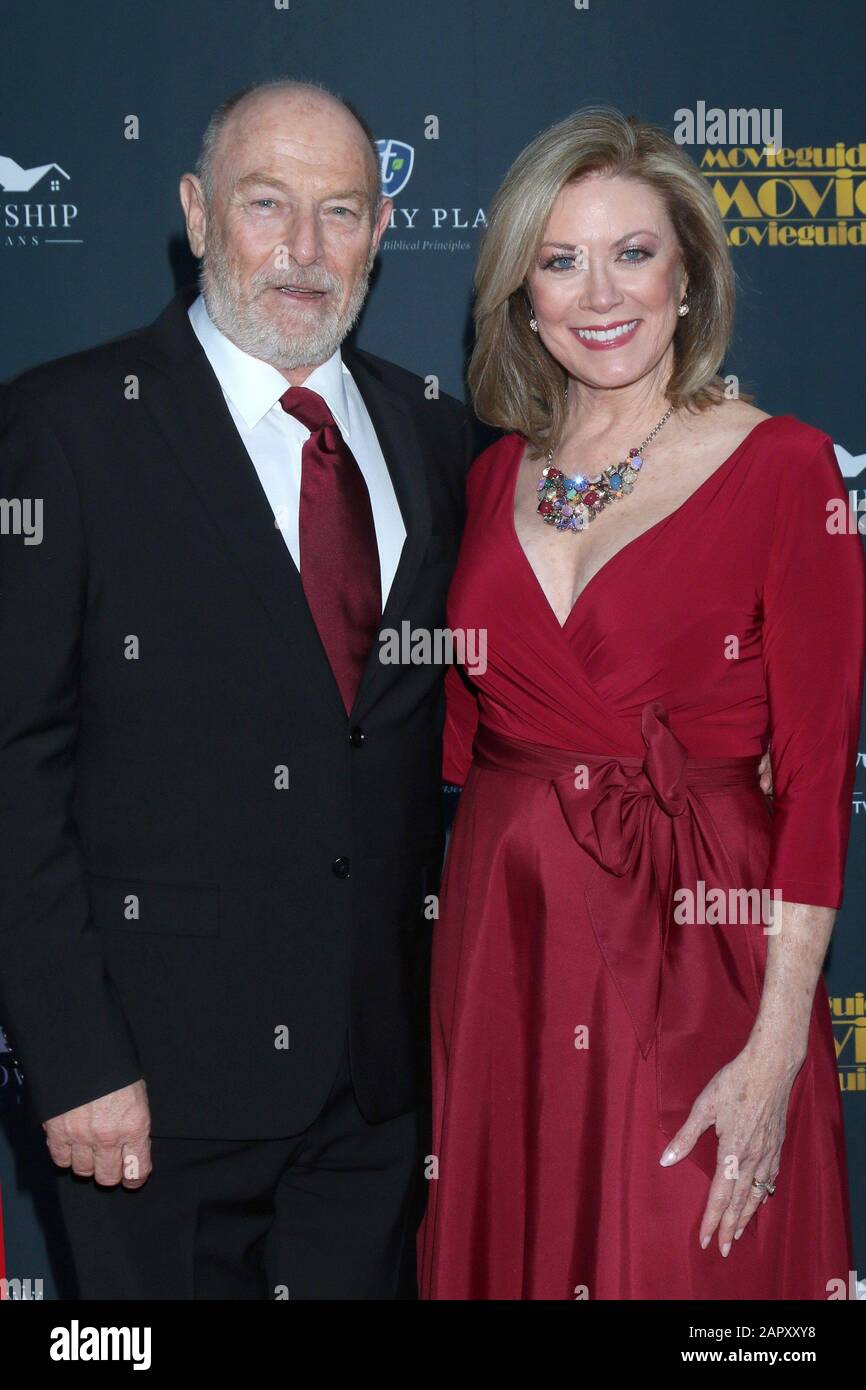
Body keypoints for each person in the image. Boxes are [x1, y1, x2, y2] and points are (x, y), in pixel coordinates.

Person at [0, 78, 474, 1299]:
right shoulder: (65, 430)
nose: (304, 251)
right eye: (268, 204)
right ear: (197, 212)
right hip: (147, 1099)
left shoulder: (436, 437)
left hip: (373, 1098)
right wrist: (73, 1059)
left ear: (381, 229)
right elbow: (13, 763)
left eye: (341, 211)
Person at [418, 105, 865, 1300]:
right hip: (504, 949)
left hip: (701, 947)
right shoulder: (490, 473)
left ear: (687, 274)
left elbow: (818, 781)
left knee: (687, 1266)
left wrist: (774, 1048)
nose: (596, 291)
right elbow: (451, 748)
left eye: (632, 251)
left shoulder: (785, 468)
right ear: (520, 292)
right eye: (558, 260)